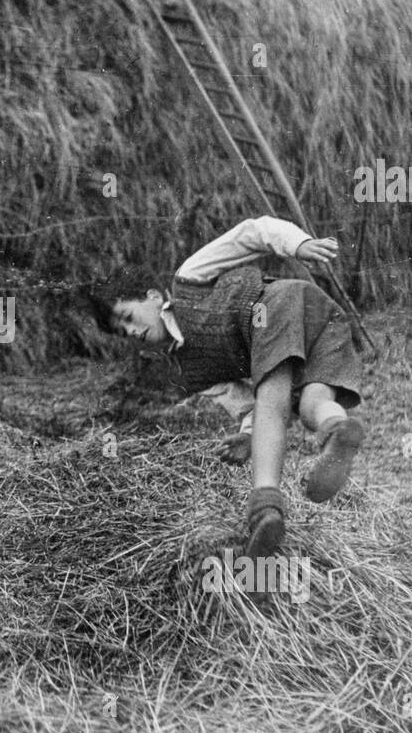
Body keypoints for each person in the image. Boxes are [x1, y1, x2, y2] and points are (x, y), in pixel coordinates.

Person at [84, 216, 365, 558]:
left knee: (271, 402)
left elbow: (252, 233)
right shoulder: (189, 371)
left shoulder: (189, 278)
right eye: (120, 332)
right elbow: (244, 403)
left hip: (274, 306)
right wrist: (249, 436)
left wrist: (298, 245)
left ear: (154, 297)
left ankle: (265, 508)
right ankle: (337, 428)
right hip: (322, 319)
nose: (129, 332)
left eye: (128, 317)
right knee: (313, 403)